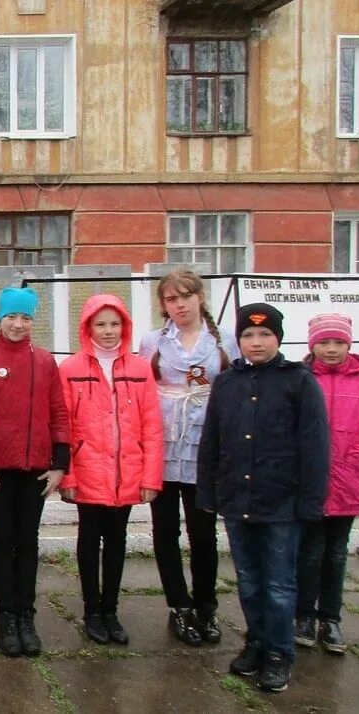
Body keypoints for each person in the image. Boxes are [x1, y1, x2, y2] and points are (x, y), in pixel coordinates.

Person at [199, 303, 329, 694]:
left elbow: (315, 446)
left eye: (265, 335)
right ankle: (256, 641)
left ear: (278, 338)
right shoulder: (227, 382)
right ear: (238, 341)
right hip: (238, 499)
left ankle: (278, 653)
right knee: (249, 580)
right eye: (248, 336)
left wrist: (311, 501)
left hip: (281, 502)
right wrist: (208, 492)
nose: (256, 342)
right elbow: (212, 442)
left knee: (279, 584)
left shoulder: (299, 381)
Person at [0, 286, 70, 658]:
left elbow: (58, 411)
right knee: (3, 540)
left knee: (28, 541)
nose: (18, 324)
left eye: (25, 318)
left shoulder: (44, 361)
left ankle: (26, 614)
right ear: (0, 318)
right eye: (11, 317)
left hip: (36, 469)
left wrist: (59, 463)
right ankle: (5, 615)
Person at [138, 269, 240, 647]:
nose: (179, 305)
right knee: (165, 531)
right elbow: (143, 391)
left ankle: (206, 606)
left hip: (205, 445)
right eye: (170, 299)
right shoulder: (153, 342)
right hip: (164, 443)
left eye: (185, 296)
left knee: (203, 533)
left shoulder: (225, 340)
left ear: (200, 297)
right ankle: (178, 606)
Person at [58, 295, 164, 645]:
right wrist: (68, 474)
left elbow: (151, 424)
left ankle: (111, 610)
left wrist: (151, 476)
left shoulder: (139, 368)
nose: (108, 331)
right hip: (89, 470)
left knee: (117, 542)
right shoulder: (71, 370)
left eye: (114, 324)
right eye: (100, 324)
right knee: (89, 541)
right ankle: (91, 611)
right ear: (88, 328)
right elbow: (65, 427)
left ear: (125, 327)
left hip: (126, 472)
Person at [295, 314, 359, 654]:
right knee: (308, 553)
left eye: (338, 343)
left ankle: (331, 619)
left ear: (348, 344)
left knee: (336, 554)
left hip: (346, 482)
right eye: (324, 343)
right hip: (309, 483)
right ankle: (304, 616)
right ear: (313, 345)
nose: (331, 349)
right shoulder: (300, 379)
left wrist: (356, 457)